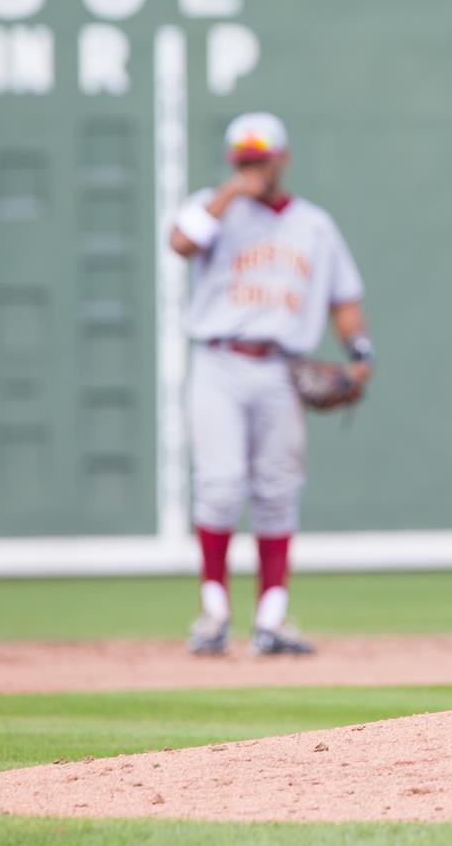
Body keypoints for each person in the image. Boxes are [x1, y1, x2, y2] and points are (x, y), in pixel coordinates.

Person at [167, 112, 372, 656]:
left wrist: (359, 352)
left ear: (282, 158)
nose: (253, 169)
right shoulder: (214, 208)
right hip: (220, 361)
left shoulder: (314, 225)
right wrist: (230, 192)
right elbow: (180, 241)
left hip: (282, 366)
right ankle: (213, 617)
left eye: (260, 160)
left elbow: (343, 299)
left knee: (279, 490)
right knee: (220, 484)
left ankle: (272, 621)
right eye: (243, 161)